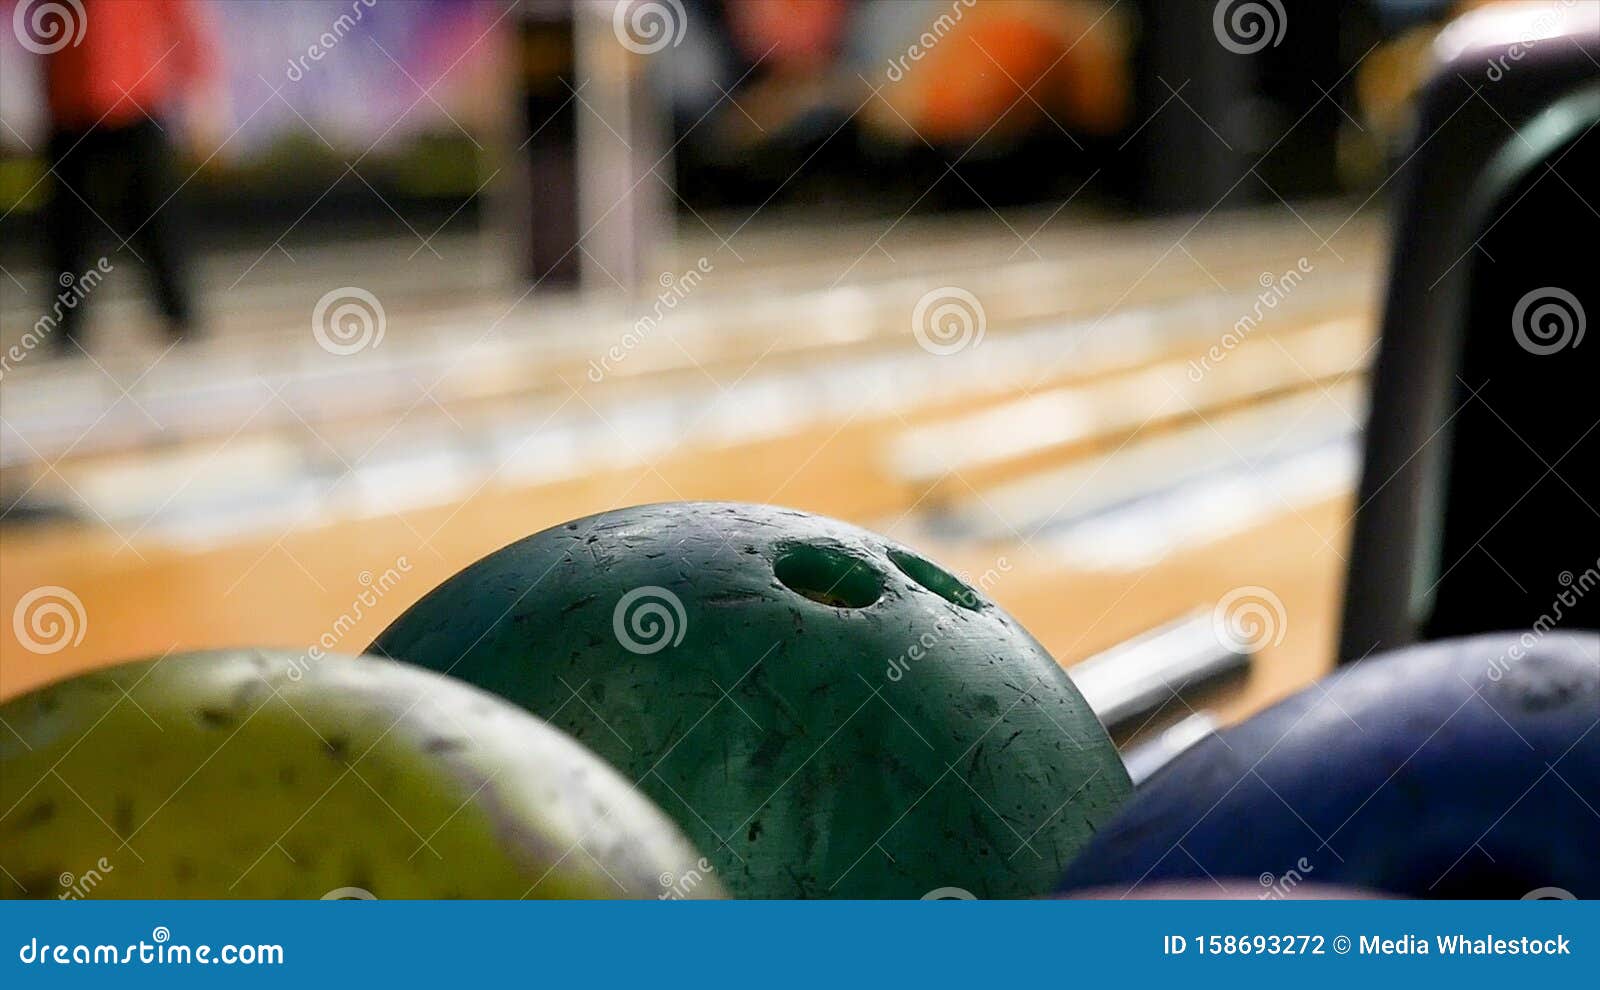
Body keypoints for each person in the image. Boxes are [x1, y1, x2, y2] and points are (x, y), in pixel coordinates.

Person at [36, 0, 223, 355]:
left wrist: (201, 92)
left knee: (156, 217)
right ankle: (67, 328)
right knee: (69, 226)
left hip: (135, 97)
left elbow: (178, 18)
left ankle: (179, 315)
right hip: (70, 103)